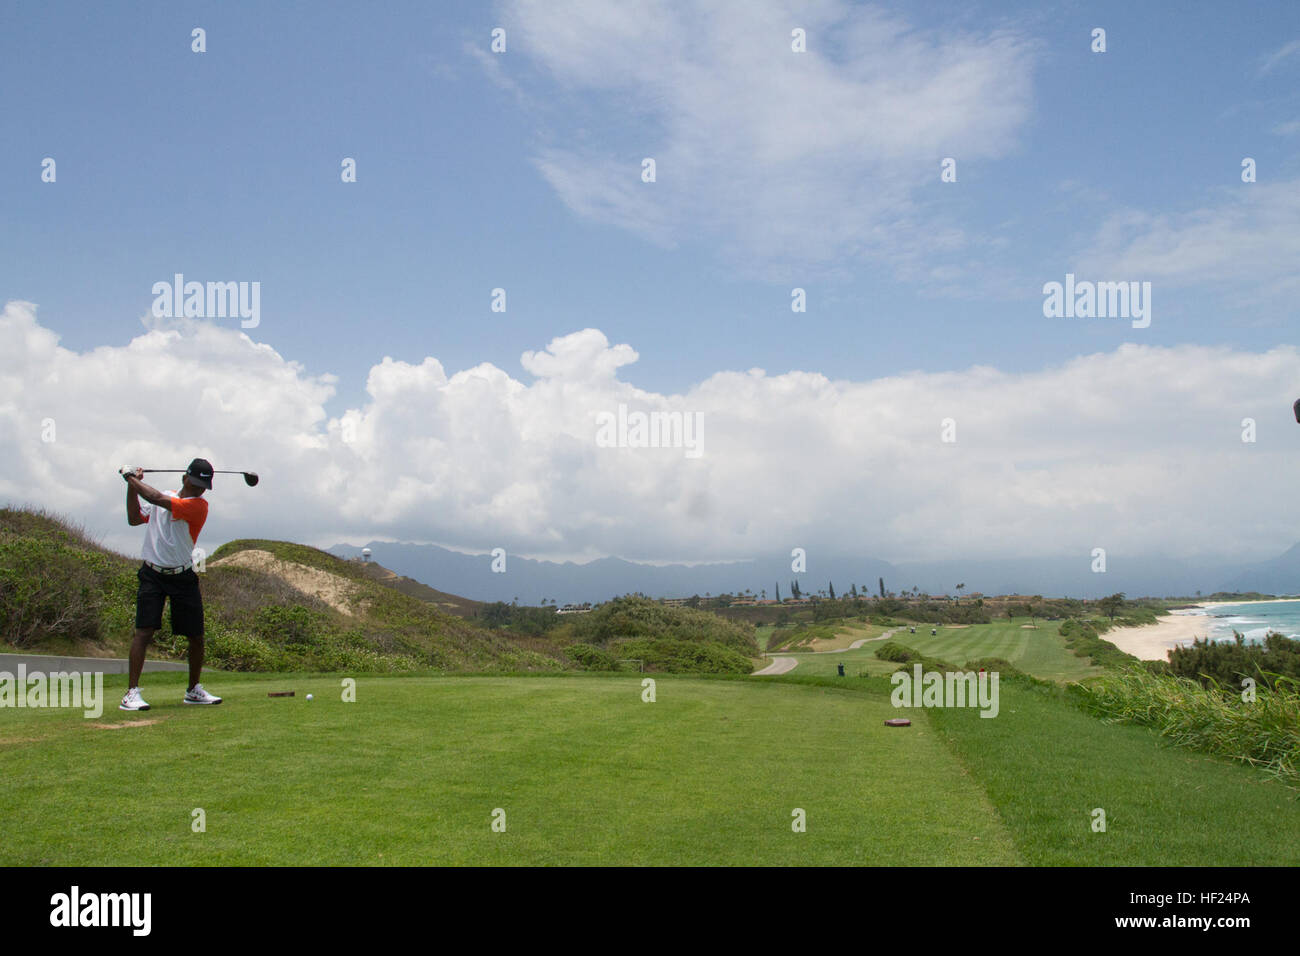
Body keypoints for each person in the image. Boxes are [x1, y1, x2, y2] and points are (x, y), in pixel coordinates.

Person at [120, 459, 222, 710]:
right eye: (196, 483)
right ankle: (131, 693)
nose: (199, 489)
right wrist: (132, 486)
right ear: (185, 478)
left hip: (183, 575)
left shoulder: (199, 506)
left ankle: (193, 690)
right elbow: (134, 518)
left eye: (204, 485)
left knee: (196, 636)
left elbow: (156, 499)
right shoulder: (164, 497)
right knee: (144, 632)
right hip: (152, 574)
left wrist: (131, 478)